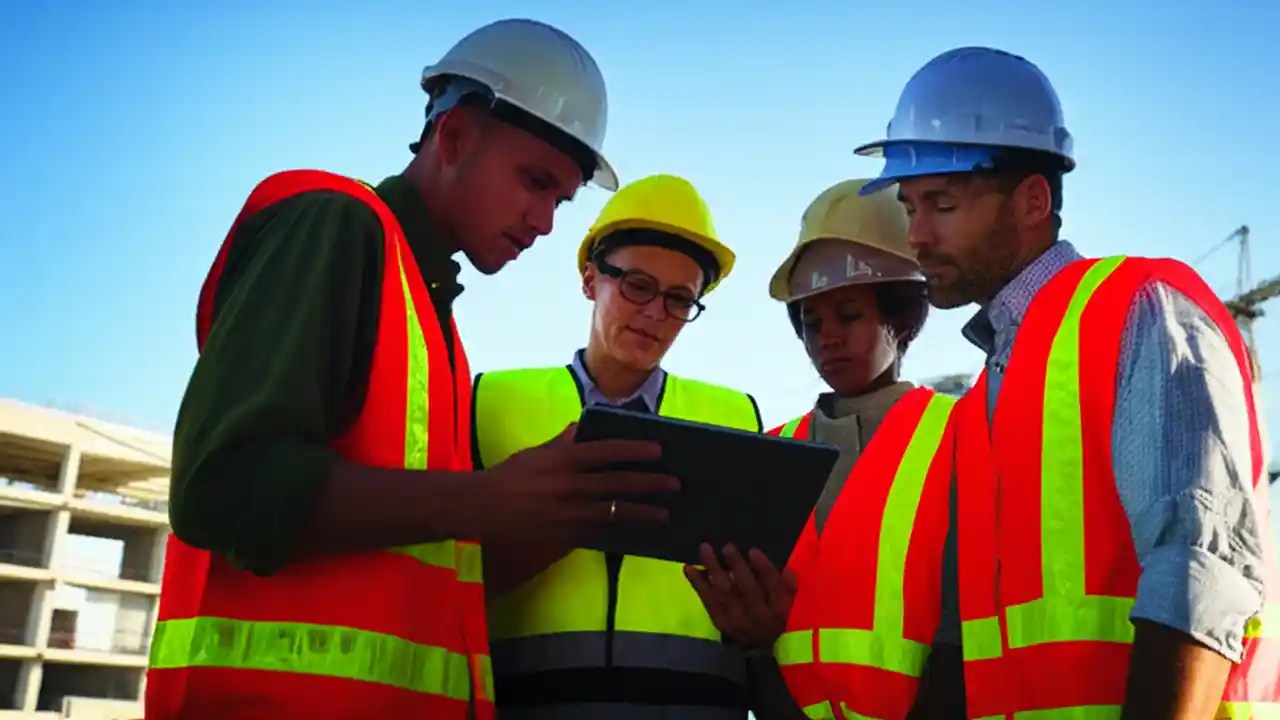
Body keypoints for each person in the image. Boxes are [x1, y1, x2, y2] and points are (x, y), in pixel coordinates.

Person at [145, 19, 683, 720]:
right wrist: (487, 499)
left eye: (560, 199)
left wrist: (546, 522)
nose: (545, 221)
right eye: (534, 181)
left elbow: (413, 578)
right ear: (454, 136)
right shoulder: (332, 225)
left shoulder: (435, 330)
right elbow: (219, 485)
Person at [854, 46, 1280, 717]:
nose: (918, 235)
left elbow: (1202, 572)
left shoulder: (1139, 308)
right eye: (910, 207)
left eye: (941, 203)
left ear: (1032, 200)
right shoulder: (982, 399)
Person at [470, 173, 765, 719]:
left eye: (680, 299)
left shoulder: (736, 417)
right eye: (637, 285)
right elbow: (447, 574)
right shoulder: (490, 401)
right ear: (590, 280)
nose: (655, 313)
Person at [683, 178, 964, 720]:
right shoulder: (770, 453)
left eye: (849, 315)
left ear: (902, 316)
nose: (827, 338)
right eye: (811, 322)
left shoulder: (960, 433)